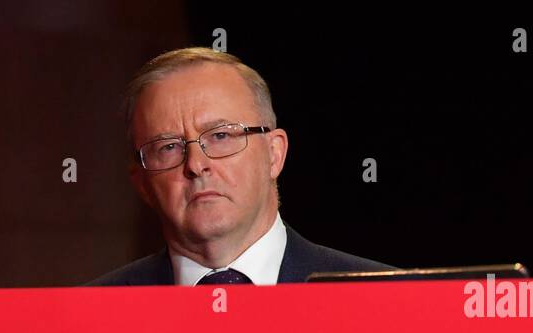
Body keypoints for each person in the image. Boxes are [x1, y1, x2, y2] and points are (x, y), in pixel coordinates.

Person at [87, 47, 392, 286]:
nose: (196, 165)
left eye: (220, 135)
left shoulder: (389, 300)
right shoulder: (88, 316)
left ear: (274, 154)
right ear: (141, 184)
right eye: (168, 147)